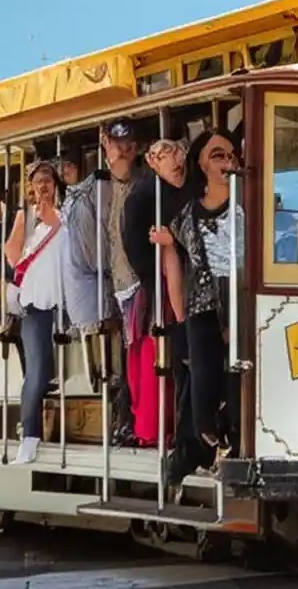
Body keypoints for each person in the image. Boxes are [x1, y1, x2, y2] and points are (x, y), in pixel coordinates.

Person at [154, 129, 244, 480]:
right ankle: (202, 445)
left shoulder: (248, 205)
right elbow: (176, 267)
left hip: (243, 302)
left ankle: (229, 445)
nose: (227, 162)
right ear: (202, 164)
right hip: (203, 308)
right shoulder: (185, 217)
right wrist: (180, 317)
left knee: (239, 381)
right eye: (218, 155)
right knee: (203, 388)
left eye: (230, 155)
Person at [63, 120, 146, 446]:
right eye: (117, 143)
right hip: (115, 290)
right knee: (127, 363)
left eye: (129, 144)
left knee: (139, 360)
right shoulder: (87, 194)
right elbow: (94, 255)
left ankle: (135, 422)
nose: (123, 150)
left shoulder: (145, 183)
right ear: (104, 143)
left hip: (141, 283)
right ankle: (124, 422)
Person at [122, 138, 189, 448]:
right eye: (166, 155)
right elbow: (135, 249)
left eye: (177, 152)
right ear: (152, 161)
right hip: (158, 287)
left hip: (185, 279)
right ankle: (153, 427)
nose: (175, 160)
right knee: (155, 358)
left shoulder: (187, 191)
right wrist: (161, 265)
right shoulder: (141, 198)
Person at [4, 161, 68, 465]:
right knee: (37, 372)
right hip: (34, 304)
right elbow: (13, 256)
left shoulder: (65, 216)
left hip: (64, 304)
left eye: (47, 181)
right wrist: (23, 219)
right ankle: (28, 435)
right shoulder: (27, 219)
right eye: (36, 182)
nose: (42, 186)